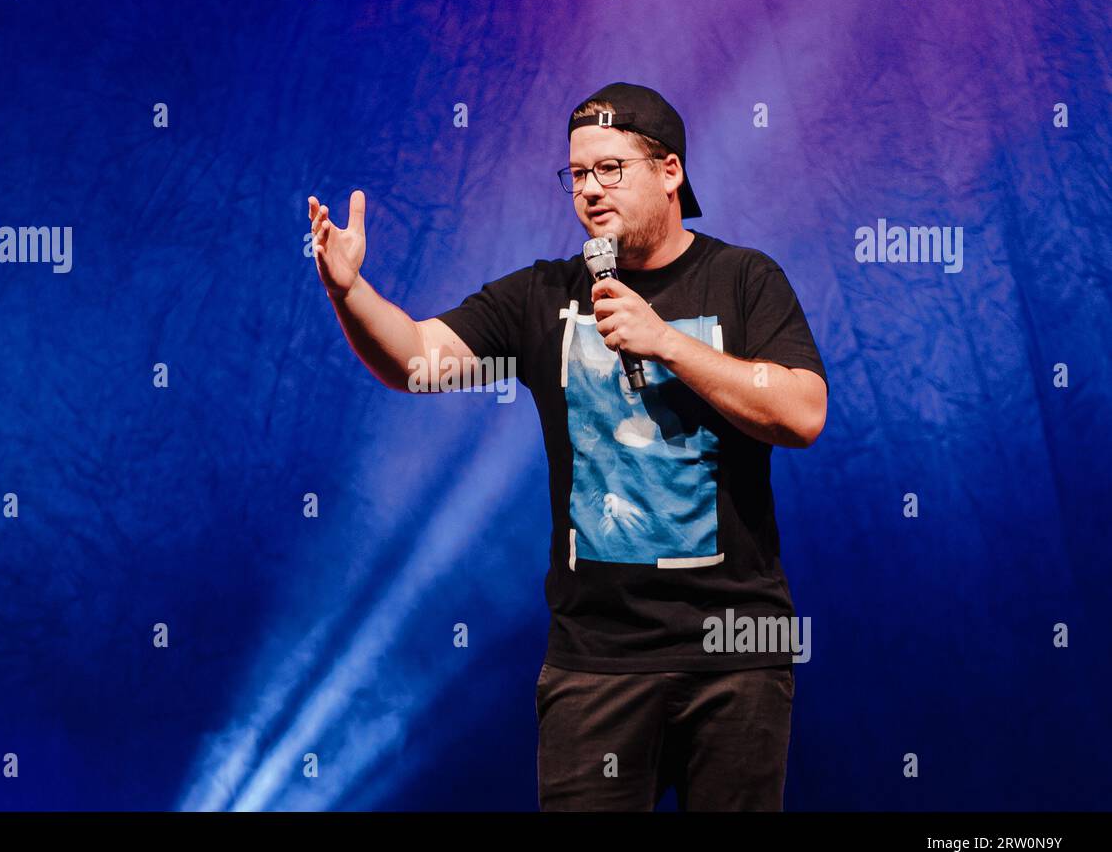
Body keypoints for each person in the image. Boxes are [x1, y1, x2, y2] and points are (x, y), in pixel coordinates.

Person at [307, 81, 828, 811]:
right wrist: (350, 292)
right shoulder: (542, 296)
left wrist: (666, 342)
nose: (588, 190)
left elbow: (803, 413)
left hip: (733, 653)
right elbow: (416, 360)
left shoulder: (743, 280)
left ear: (670, 171)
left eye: (610, 169)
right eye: (577, 174)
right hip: (598, 663)